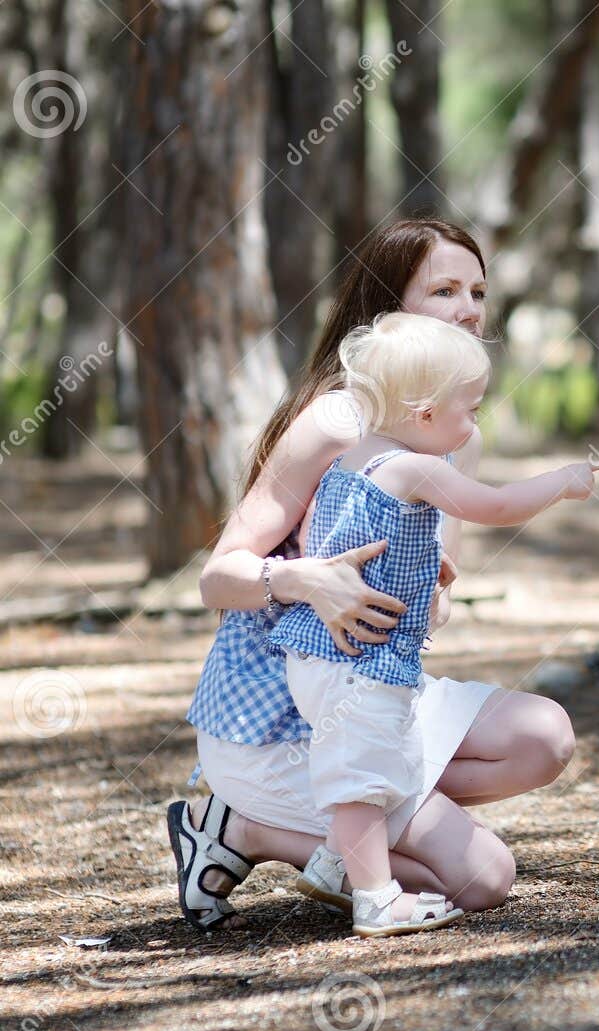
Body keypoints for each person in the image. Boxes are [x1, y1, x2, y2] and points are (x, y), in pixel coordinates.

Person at [168, 218, 575, 931]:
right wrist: (308, 580)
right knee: (486, 877)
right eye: (444, 289)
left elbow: (435, 597)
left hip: (378, 691)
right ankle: (245, 826)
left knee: (545, 736)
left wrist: (434, 592)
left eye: (478, 290)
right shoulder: (334, 421)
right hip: (282, 712)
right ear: (389, 307)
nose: (469, 308)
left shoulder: (454, 435)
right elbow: (218, 578)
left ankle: (363, 816)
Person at [266, 314, 599, 935]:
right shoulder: (417, 469)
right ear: (423, 414)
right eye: (469, 409)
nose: (474, 424)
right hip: (360, 664)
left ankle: (332, 861)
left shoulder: (351, 463)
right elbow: (495, 506)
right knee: (364, 780)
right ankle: (375, 898)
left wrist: (414, 561)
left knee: (370, 764)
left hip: (316, 655)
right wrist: (562, 482)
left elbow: (328, 541)